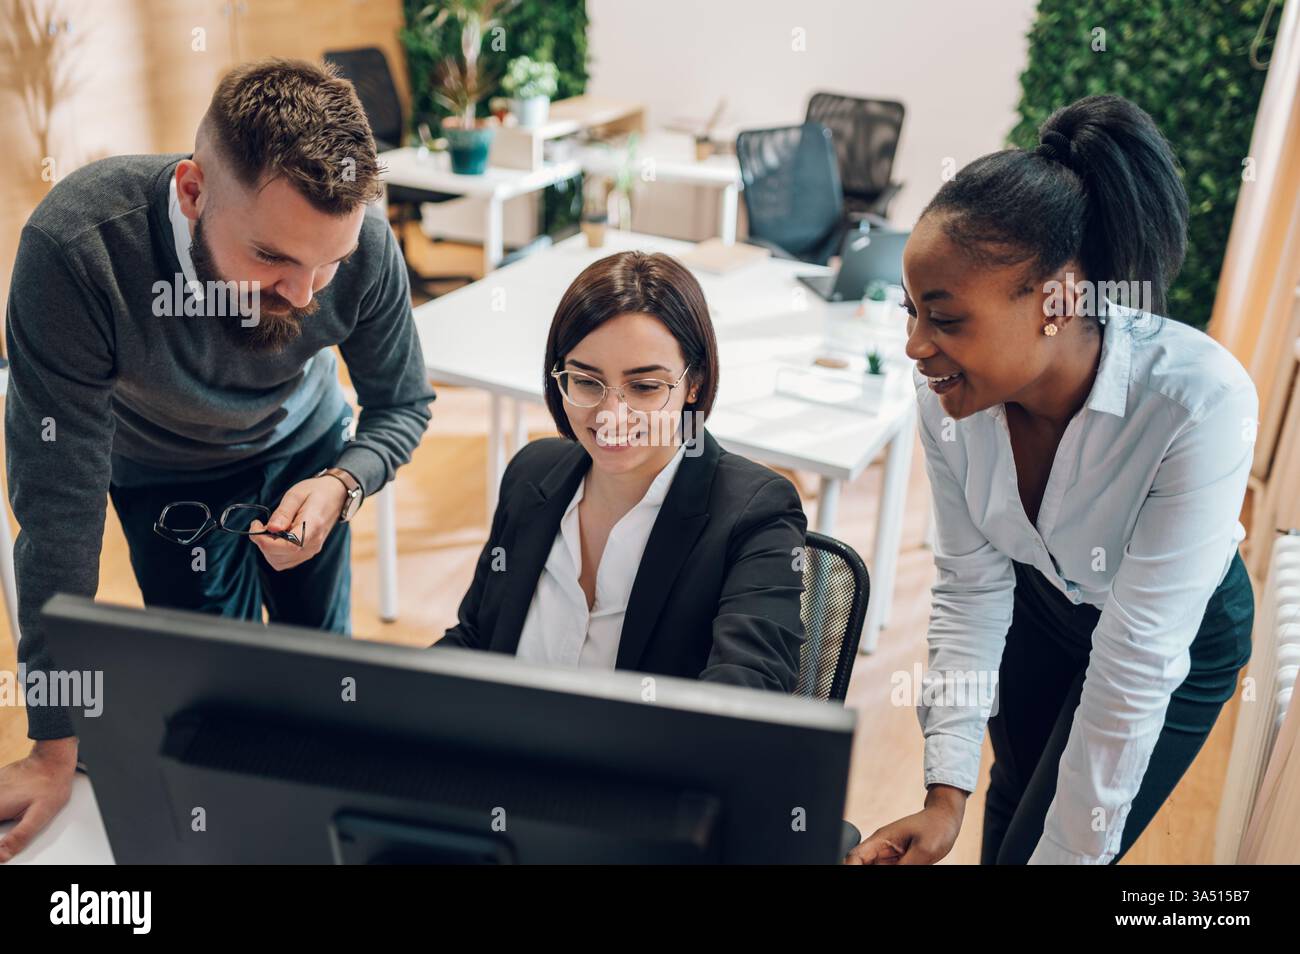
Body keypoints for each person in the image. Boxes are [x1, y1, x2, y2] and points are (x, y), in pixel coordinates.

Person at [0, 58, 436, 860]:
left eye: (326, 265)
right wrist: (54, 749)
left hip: (310, 453)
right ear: (195, 191)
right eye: (273, 259)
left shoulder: (364, 244)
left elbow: (403, 404)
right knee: (218, 699)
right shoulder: (78, 252)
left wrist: (343, 481)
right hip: (165, 476)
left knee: (317, 674)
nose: (306, 295)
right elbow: (58, 518)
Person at [848, 95, 1257, 865]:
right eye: (910, 313)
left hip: (1177, 638)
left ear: (1060, 300)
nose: (914, 346)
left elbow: (1134, 668)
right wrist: (942, 799)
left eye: (945, 318)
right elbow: (971, 587)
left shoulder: (1195, 401)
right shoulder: (947, 399)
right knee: (1012, 803)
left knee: (1057, 844)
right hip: (1043, 601)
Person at [437, 251, 806, 691]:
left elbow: (746, 699)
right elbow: (476, 638)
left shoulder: (757, 515)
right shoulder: (531, 474)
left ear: (695, 383)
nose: (611, 414)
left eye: (646, 387)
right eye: (587, 382)